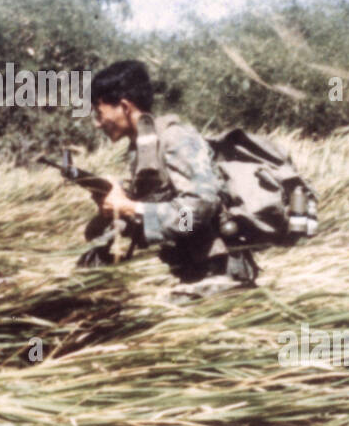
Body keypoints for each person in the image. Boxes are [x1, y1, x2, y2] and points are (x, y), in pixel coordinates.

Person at [81, 59, 257, 293]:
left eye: (100, 113)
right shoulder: (143, 146)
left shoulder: (175, 138)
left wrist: (133, 208)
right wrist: (117, 202)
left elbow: (197, 209)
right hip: (191, 270)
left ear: (124, 106)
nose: (97, 124)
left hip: (218, 272)